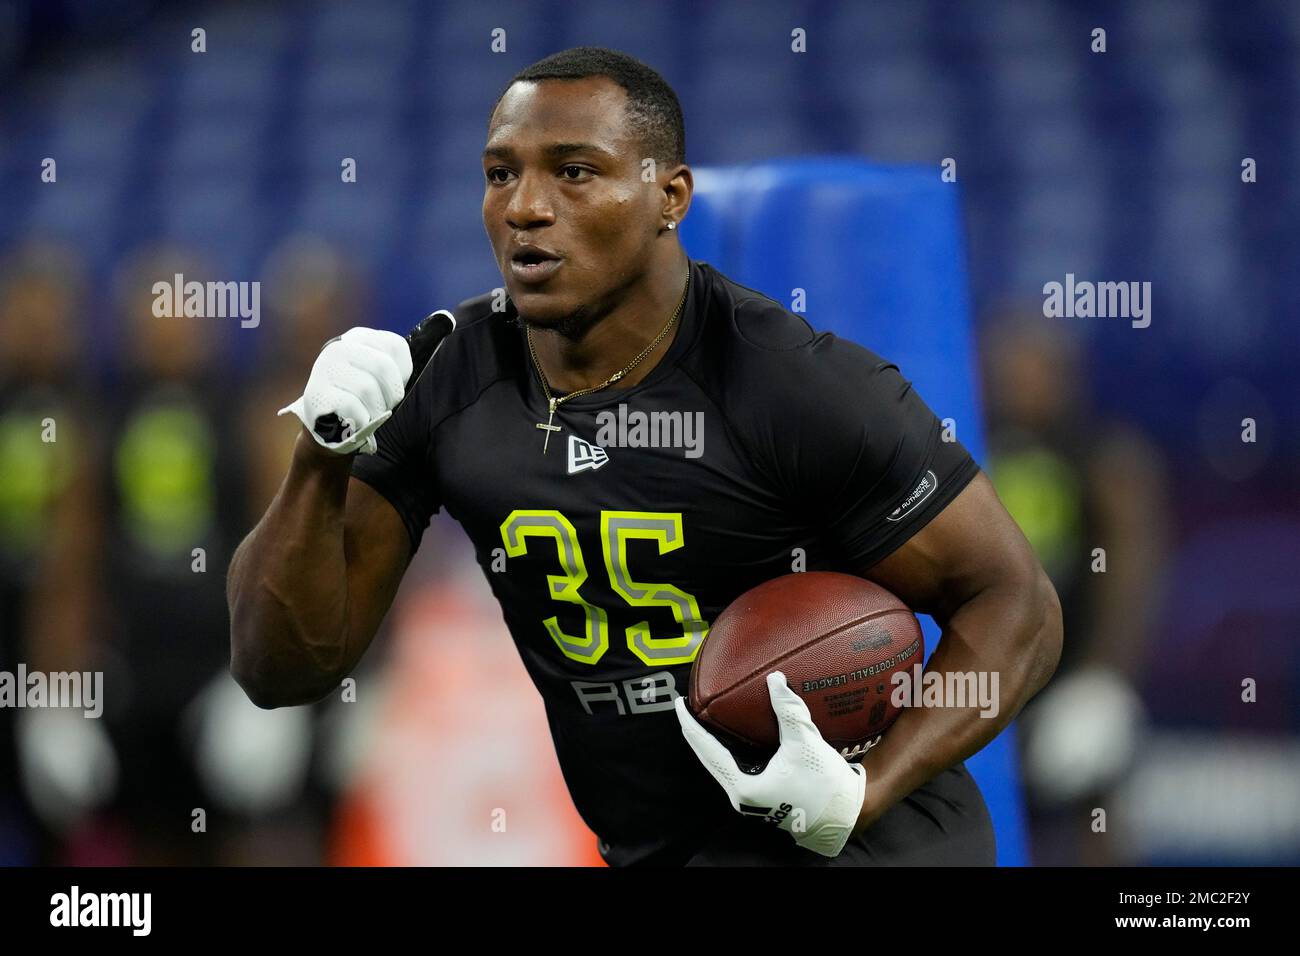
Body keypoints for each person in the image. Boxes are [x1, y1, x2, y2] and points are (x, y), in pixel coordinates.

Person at [227, 46, 1061, 866]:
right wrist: (321, 457)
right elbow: (282, 666)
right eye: (499, 173)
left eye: (574, 171)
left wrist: (863, 791)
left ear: (669, 197)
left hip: (870, 851)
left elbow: (1014, 601)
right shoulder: (451, 380)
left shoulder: (789, 383)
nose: (524, 206)